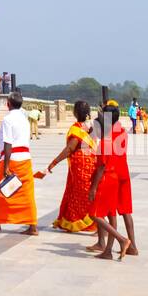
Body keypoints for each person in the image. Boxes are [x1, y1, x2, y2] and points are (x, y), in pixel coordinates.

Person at [36, 100, 96, 233]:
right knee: (81, 194)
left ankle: (82, 222)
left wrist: (53, 163)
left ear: (75, 113)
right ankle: (76, 221)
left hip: (81, 168)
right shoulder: (91, 127)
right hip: (91, 165)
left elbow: (70, 149)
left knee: (79, 195)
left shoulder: (76, 129)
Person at [87, 103, 137, 259]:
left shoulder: (106, 139)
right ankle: (127, 246)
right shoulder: (121, 132)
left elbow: (102, 165)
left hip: (109, 176)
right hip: (123, 174)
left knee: (100, 213)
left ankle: (120, 241)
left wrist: (93, 187)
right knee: (121, 211)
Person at [0, 92, 38, 235]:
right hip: (25, 159)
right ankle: (32, 225)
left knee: (0, 191)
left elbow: (8, 143)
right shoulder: (24, 119)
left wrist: (6, 166)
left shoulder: (8, 119)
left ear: (8, 104)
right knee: (27, 193)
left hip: (12, 159)